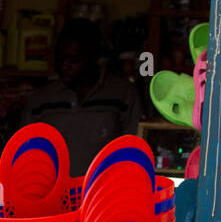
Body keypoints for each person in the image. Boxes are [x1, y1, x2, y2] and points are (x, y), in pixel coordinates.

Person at [20, 19, 143, 176]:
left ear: (94, 58)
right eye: (60, 59)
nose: (64, 66)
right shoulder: (40, 101)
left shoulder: (123, 95)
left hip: (106, 195)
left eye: (74, 60)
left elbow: (135, 153)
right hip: (53, 197)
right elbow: (27, 157)